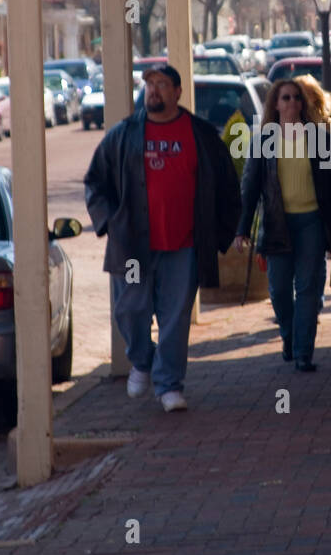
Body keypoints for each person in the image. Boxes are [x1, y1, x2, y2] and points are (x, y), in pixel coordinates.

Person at [84, 64, 241, 411]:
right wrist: (110, 222)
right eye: (149, 84)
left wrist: (222, 233)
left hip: (184, 246)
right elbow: (95, 181)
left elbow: (228, 186)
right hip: (133, 246)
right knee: (130, 310)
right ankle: (143, 360)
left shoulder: (199, 134)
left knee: (175, 317)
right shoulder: (124, 134)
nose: (153, 90)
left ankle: (169, 384)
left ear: (178, 92)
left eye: (162, 84)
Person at [233, 76, 331, 372]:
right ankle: (289, 335)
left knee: (309, 287)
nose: (292, 103)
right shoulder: (264, 139)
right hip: (277, 224)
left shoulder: (319, 137)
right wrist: (242, 229)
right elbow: (250, 187)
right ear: (275, 103)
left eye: (297, 98)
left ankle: (303, 352)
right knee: (280, 290)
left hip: (312, 222)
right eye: (285, 98)